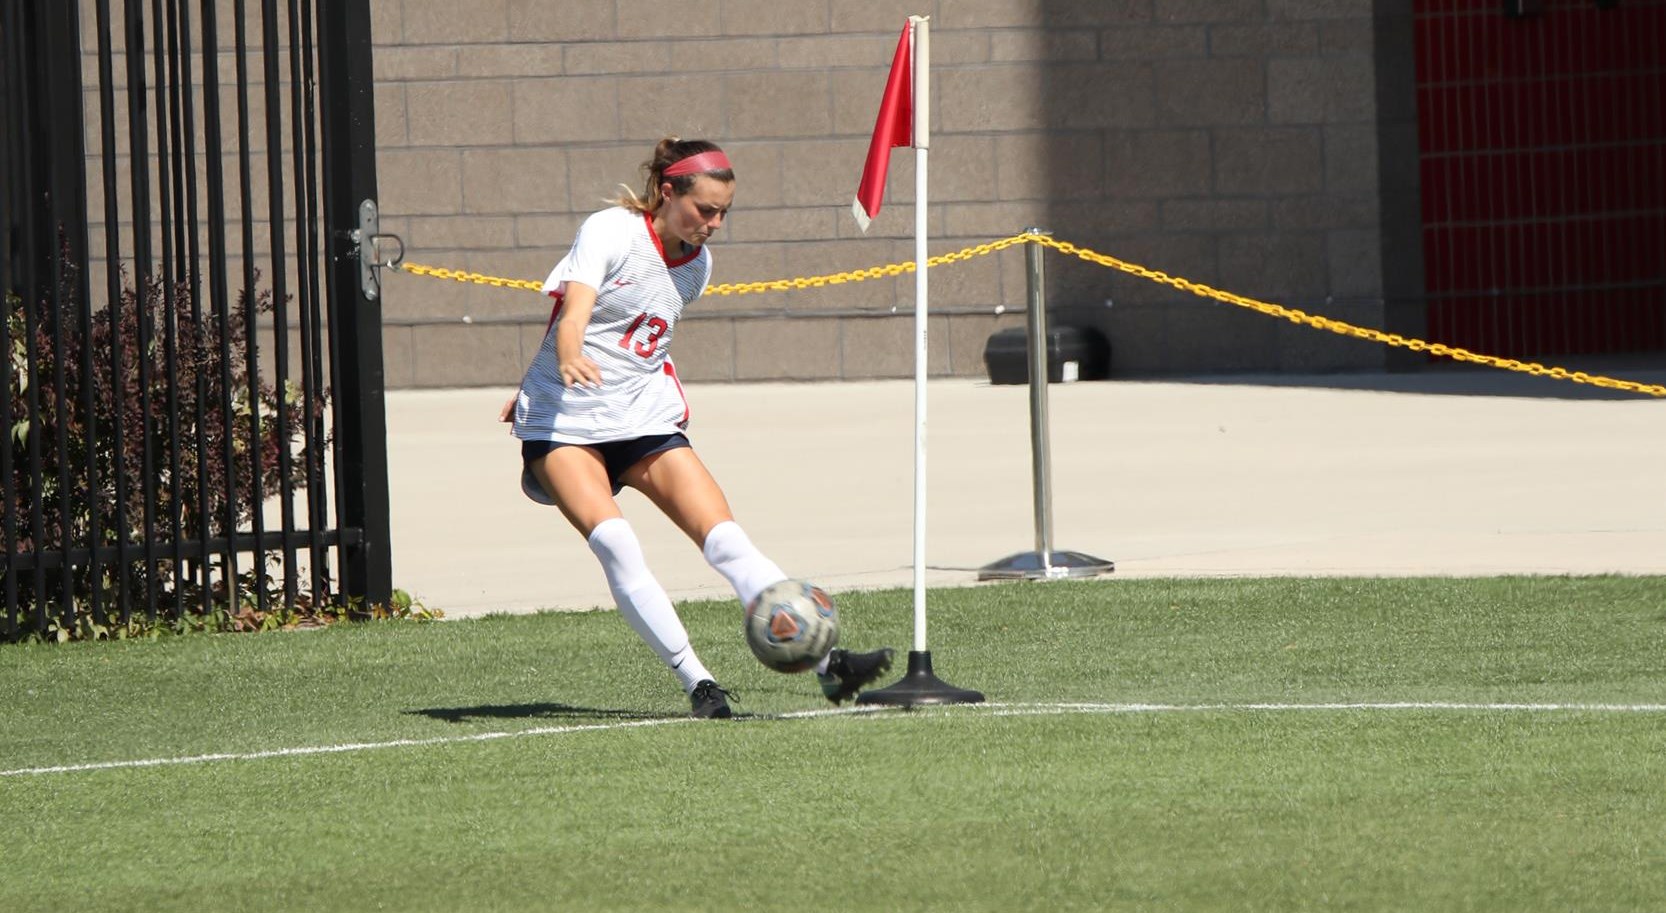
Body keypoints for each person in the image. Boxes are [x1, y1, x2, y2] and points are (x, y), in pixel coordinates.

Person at [502, 137, 894, 719]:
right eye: (704, 209)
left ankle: (829, 667)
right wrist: (562, 359)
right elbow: (575, 311)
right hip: (565, 419)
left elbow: (640, 340)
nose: (714, 224)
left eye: (724, 213)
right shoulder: (612, 229)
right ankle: (698, 683)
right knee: (617, 544)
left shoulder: (699, 265)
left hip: (642, 417)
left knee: (727, 541)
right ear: (667, 192)